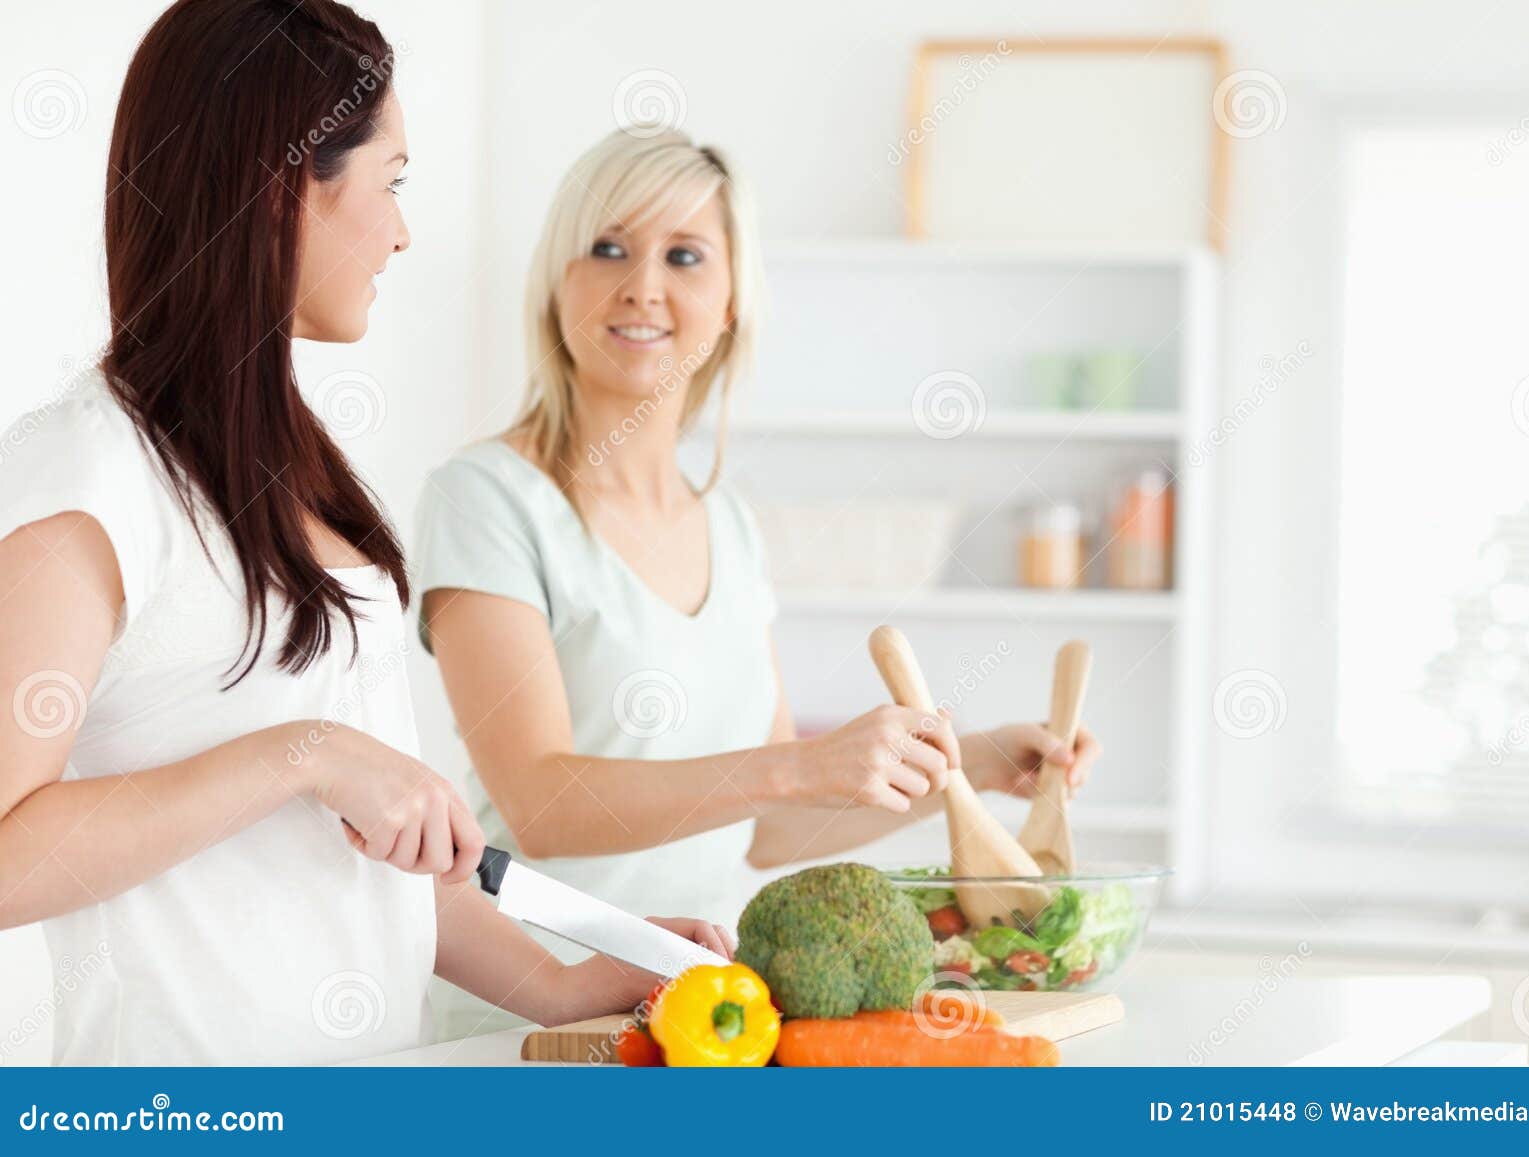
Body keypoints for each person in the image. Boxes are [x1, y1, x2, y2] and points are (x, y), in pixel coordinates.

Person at [0, 0, 727, 1066]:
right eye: (391, 183)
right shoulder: (88, 471)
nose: (402, 230)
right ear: (283, 187)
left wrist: (565, 982)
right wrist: (303, 754)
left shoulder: (294, 465)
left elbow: (369, 854)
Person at [415, 127, 1102, 1037]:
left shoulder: (729, 526)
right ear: (557, 282)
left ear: (731, 300)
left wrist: (966, 767)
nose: (643, 286)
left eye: (684, 256)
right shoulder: (486, 498)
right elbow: (542, 805)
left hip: (698, 1011)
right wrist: (801, 763)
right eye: (608, 248)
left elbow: (771, 827)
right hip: (531, 1026)